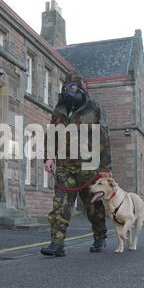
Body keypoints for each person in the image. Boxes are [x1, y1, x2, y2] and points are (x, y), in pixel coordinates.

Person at [41, 72, 112, 257]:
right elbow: (51, 135)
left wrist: (105, 169)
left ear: (82, 89)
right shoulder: (59, 110)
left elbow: (104, 138)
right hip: (65, 166)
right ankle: (57, 244)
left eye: (72, 88)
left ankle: (100, 237)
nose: (68, 92)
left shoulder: (95, 109)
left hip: (89, 166)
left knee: (93, 205)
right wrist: (49, 157)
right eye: (65, 88)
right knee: (60, 204)